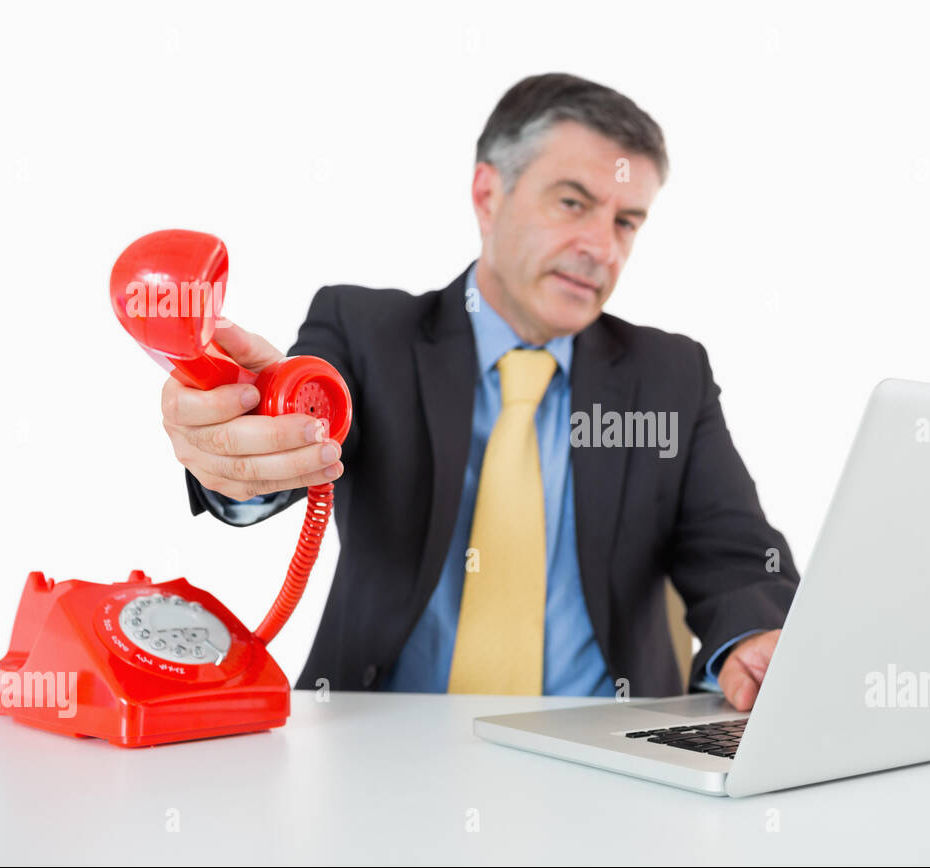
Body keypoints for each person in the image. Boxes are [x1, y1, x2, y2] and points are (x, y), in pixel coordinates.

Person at [162, 73, 799, 709]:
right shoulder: (367, 333)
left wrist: (757, 637)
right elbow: (295, 427)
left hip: (608, 755)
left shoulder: (669, 374)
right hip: (383, 749)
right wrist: (238, 438)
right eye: (572, 204)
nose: (602, 248)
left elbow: (735, 550)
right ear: (489, 194)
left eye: (627, 221)